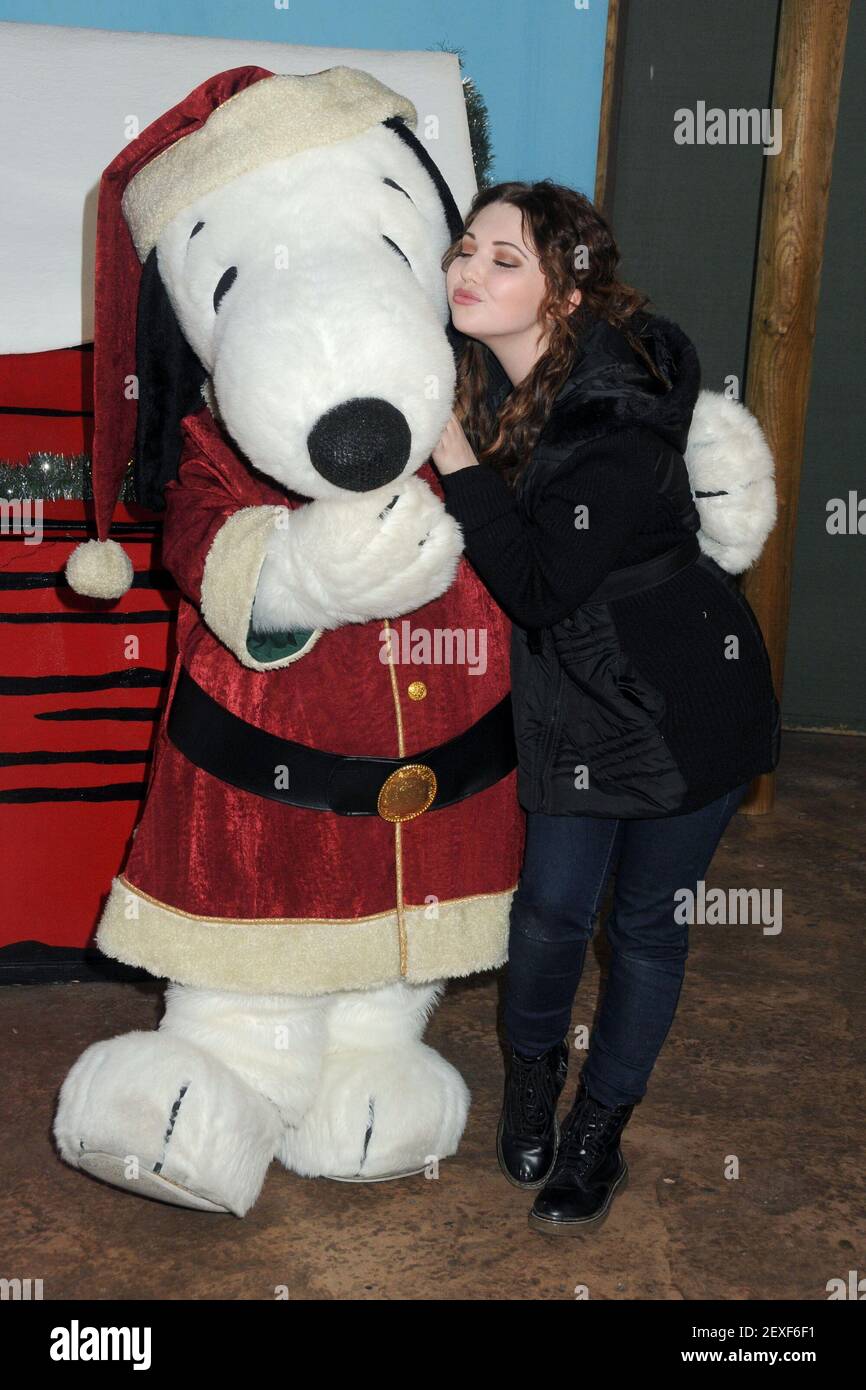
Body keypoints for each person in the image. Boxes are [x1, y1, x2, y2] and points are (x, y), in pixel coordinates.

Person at [430, 179, 781, 1236]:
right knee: (545, 913)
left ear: (565, 298)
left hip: (681, 698)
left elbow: (538, 585)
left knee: (643, 928)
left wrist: (451, 457)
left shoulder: (614, 408)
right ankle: (533, 1077)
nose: (467, 269)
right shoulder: (475, 369)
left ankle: (598, 1129)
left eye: (503, 259)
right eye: (464, 246)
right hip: (574, 692)